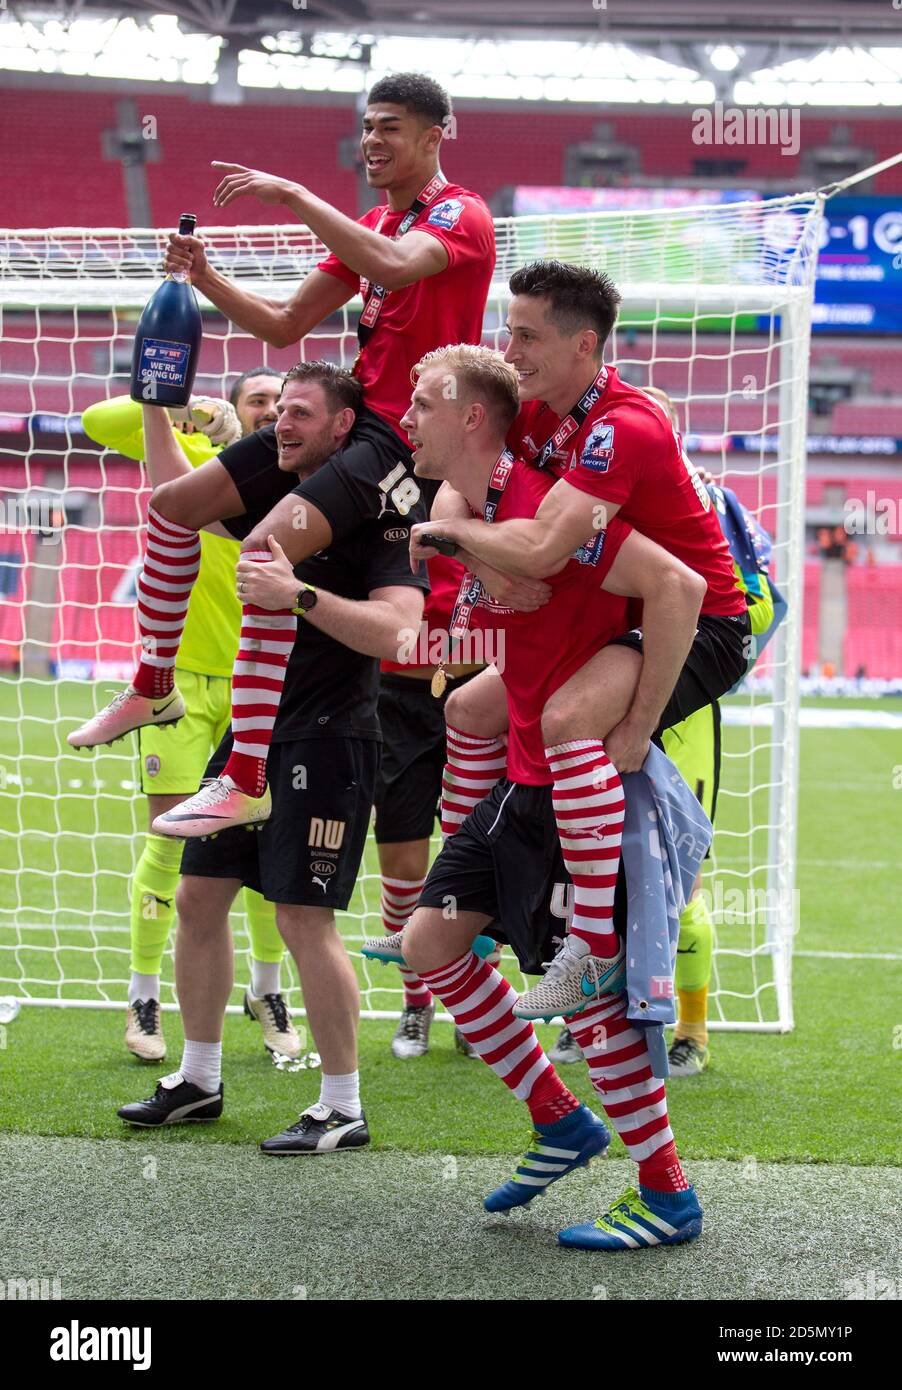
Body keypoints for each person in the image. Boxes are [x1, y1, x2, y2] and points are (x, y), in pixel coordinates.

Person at [67, 72, 498, 857]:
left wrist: (297, 197)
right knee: (174, 505)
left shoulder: (459, 214)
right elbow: (283, 324)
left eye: (390, 127)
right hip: (348, 418)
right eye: (368, 125)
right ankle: (153, 686)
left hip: (402, 438)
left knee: (264, 558)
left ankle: (245, 776)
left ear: (435, 135)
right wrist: (205, 278)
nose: (372, 140)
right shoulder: (370, 221)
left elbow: (399, 266)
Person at [365, 344, 707, 1250]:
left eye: (423, 403)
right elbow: (460, 653)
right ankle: (560, 1122)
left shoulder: (554, 511)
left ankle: (667, 1193)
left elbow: (678, 584)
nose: (406, 418)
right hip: (518, 779)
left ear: (472, 418)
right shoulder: (466, 508)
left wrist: (630, 726)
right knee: (430, 945)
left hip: (576, 791)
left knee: (593, 1005)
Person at [412, 261, 750, 1019]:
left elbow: (542, 556)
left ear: (583, 345)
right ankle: (484, 885)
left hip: (699, 624)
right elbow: (462, 484)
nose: (511, 349)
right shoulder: (536, 412)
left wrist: (633, 726)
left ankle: (593, 951)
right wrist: (456, 537)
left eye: (527, 335)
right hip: (623, 612)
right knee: (468, 712)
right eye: (508, 330)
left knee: (570, 722)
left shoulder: (621, 428)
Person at [116, 363, 430, 1153]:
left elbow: (402, 633)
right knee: (197, 898)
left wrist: (302, 595)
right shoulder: (274, 492)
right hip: (252, 732)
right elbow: (177, 502)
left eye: (300, 413)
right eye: (276, 410)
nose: (282, 424)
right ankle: (198, 1077)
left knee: (302, 918)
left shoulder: (377, 511)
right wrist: (161, 407)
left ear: (342, 428)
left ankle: (343, 1103)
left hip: (329, 735)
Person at [80, 370, 301, 1063]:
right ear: (233, 412)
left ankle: (266, 991)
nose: (270, 409)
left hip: (261, 686)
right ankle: (144, 998)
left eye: (283, 401)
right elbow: (97, 422)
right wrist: (187, 408)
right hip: (179, 687)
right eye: (258, 398)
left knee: (267, 846)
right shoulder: (196, 468)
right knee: (170, 840)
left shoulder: (309, 483)